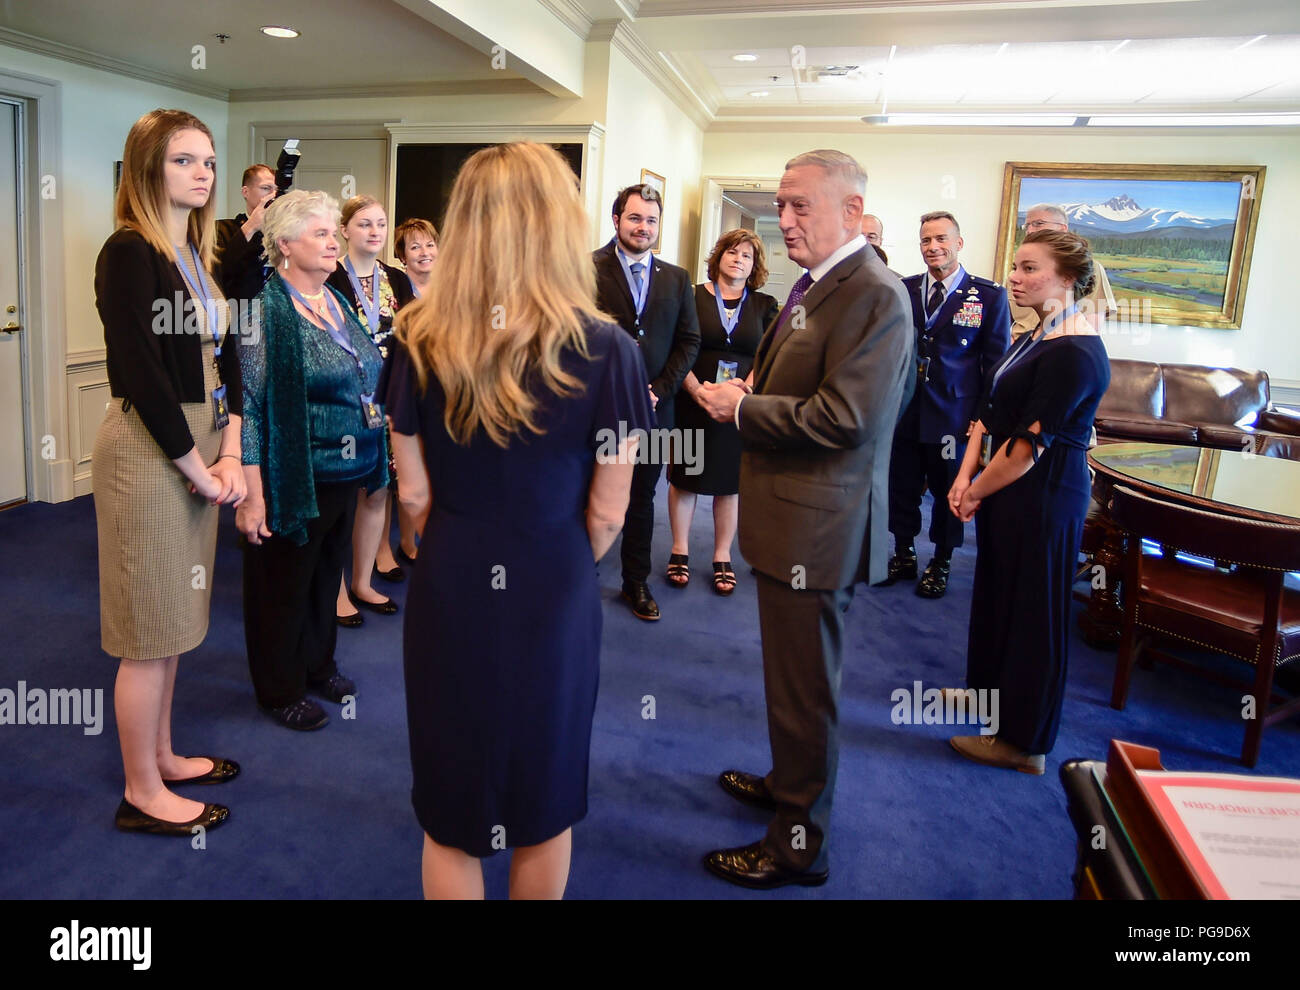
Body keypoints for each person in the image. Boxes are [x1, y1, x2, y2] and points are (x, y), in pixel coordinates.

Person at [377, 142, 652, 898]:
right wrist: (553, 554)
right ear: (559, 224)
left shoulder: (416, 337)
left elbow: (412, 497)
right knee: (543, 803)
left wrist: (454, 545)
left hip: (452, 576)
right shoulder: (609, 348)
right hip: (554, 580)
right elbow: (608, 513)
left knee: (451, 810)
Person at [694, 150, 912, 889]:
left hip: (819, 531)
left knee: (806, 693)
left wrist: (744, 407)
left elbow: (848, 417)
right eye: (779, 205)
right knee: (792, 685)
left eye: (798, 206)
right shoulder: (821, 284)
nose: (781, 220)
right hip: (792, 519)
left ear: (851, 211)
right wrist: (757, 386)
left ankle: (797, 846)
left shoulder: (875, 294)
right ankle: (790, 785)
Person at [93, 108, 245, 835]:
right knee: (147, 630)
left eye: (208, 161)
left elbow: (226, 361)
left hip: (202, 445)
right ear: (147, 167)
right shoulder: (130, 251)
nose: (202, 173)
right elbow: (141, 375)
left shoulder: (195, 252)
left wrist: (232, 450)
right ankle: (140, 792)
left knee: (176, 622)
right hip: (153, 450)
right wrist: (197, 467)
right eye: (184, 159)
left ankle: (161, 754)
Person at [946, 230, 1111, 773]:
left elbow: (1027, 448)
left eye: (1028, 269)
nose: (1014, 278)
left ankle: (1023, 742)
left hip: (1044, 494)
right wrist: (965, 473)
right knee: (998, 594)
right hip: (1007, 488)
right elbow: (991, 411)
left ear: (1067, 280)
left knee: (1032, 614)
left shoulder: (1077, 349)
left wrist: (974, 490)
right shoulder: (1038, 333)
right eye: (1015, 267)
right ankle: (987, 698)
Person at [236, 189, 388, 731]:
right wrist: (252, 496)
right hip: (292, 475)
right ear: (284, 245)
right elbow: (250, 408)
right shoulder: (263, 311)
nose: (333, 242)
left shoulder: (336, 300)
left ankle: (317, 663)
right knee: (283, 584)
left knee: (327, 575)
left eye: (333, 232)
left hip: (345, 469)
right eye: (320, 233)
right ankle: (278, 689)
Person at [888, 211, 1010, 599]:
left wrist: (981, 419)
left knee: (948, 492)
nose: (932, 247)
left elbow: (995, 364)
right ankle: (903, 552)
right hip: (906, 409)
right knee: (901, 486)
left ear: (959, 243)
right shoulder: (903, 290)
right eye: (925, 240)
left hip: (953, 417)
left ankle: (940, 560)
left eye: (941, 239)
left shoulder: (988, 296)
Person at [593, 184, 701, 621]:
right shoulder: (586, 269)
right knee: (589, 495)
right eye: (635, 218)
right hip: (599, 410)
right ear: (616, 220)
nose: (643, 227)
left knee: (641, 497)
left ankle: (635, 581)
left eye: (651, 220)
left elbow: (689, 340)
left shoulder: (676, 278)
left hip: (656, 412)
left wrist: (658, 388)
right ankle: (579, 578)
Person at [665, 229, 778, 594]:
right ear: (718, 256)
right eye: (732, 252)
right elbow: (677, 347)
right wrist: (698, 391)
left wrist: (742, 389)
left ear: (754, 266)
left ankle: (722, 556)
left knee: (729, 485)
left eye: (747, 256)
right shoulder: (692, 296)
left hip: (737, 407)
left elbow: (768, 356)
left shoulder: (764, 305)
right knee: (685, 476)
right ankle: (679, 549)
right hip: (691, 400)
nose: (738, 259)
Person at [326, 195, 415, 626]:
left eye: (380, 224)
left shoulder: (396, 279)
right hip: (344, 402)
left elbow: (413, 337)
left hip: (388, 400)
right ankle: (336, 589)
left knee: (378, 490)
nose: (374, 231)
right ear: (344, 230)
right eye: (364, 224)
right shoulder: (329, 277)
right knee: (343, 497)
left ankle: (362, 581)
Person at [1011, 204, 1116, 337]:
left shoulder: (1088, 268)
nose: (1030, 230)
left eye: (1038, 224)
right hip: (1022, 347)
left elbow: (1092, 320)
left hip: (1060, 344)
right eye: (1027, 226)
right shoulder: (1016, 275)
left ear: (1062, 228)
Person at [214, 163, 276, 308]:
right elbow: (220, 272)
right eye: (266, 188)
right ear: (245, 192)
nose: (273, 196)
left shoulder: (284, 234)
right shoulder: (222, 230)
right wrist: (251, 226)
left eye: (276, 190)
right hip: (238, 313)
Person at [395, 217, 439, 301]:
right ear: (403, 256)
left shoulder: (448, 289)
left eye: (430, 245)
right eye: (415, 247)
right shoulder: (395, 291)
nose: (425, 253)